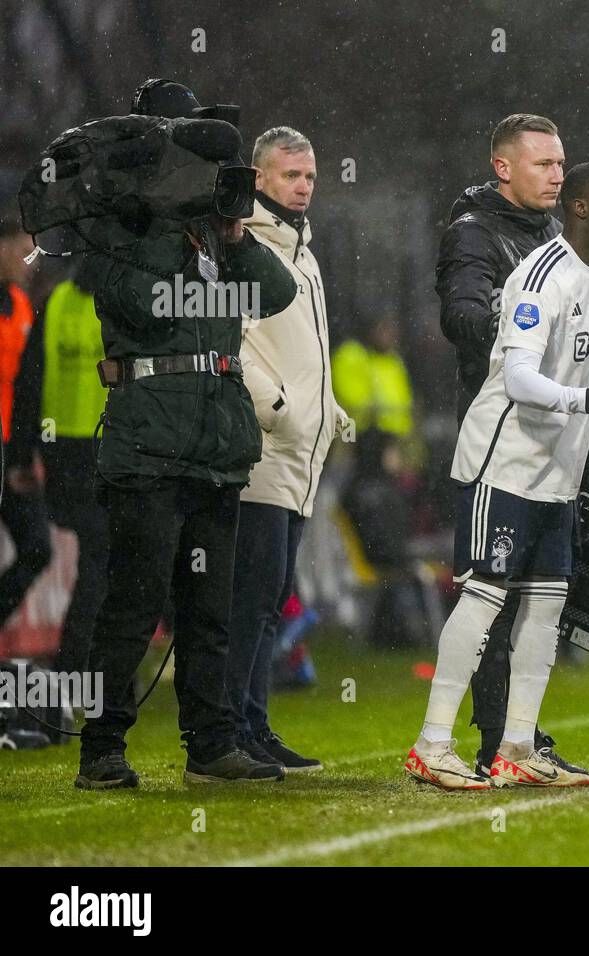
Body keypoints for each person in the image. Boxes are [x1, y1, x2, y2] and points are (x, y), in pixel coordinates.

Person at [404, 162, 589, 789]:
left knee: (546, 608)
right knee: (483, 598)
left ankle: (517, 747)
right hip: (503, 460)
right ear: (582, 210)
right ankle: (432, 745)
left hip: (557, 470)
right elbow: (518, 380)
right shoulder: (539, 279)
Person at [74, 80, 298, 790]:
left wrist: (232, 236)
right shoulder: (120, 223)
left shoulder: (213, 232)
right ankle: (103, 749)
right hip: (146, 444)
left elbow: (277, 294)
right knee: (134, 608)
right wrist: (176, 225)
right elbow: (142, 305)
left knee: (210, 611)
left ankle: (212, 744)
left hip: (213, 445)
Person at [435, 113, 589, 776]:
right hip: (500, 436)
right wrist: (520, 317)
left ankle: (521, 742)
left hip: (553, 438)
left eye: (560, 164)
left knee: (543, 594)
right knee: (491, 593)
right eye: (542, 164)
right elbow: (461, 318)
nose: (557, 175)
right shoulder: (473, 234)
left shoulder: (554, 233)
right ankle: (484, 739)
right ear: (503, 167)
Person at [224, 126, 350, 773]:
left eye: (309, 177)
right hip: (265, 449)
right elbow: (233, 342)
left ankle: (254, 726)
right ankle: (231, 730)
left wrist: (328, 414)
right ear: (259, 179)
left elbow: (306, 351)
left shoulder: (302, 249)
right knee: (253, 594)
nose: (302, 187)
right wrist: (277, 406)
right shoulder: (245, 244)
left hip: (302, 449)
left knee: (271, 597)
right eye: (290, 176)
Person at [10, 262, 110, 678]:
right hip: (90, 456)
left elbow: (29, 382)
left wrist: (22, 452)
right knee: (102, 559)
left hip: (75, 453)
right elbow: (30, 383)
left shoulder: (58, 304)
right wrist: (20, 452)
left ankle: (83, 662)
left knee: (101, 560)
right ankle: (76, 665)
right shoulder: (117, 303)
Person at [0, 211, 52, 635]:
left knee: (37, 548)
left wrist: (25, 450)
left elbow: (29, 387)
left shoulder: (20, 306)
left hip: (9, 449)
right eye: (23, 249)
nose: (30, 259)